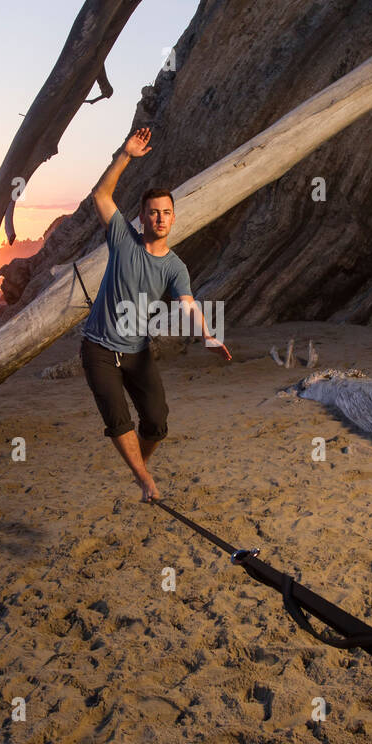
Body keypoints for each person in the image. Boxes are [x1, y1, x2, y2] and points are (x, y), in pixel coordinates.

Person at [80, 126, 232, 501]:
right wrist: (125, 155)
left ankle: (139, 470)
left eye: (166, 212)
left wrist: (208, 336)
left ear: (173, 218)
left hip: (136, 352)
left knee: (157, 423)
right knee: (118, 419)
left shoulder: (175, 267)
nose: (160, 218)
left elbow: (188, 305)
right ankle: (145, 479)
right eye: (153, 213)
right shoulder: (122, 239)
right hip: (98, 349)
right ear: (142, 218)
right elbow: (101, 194)